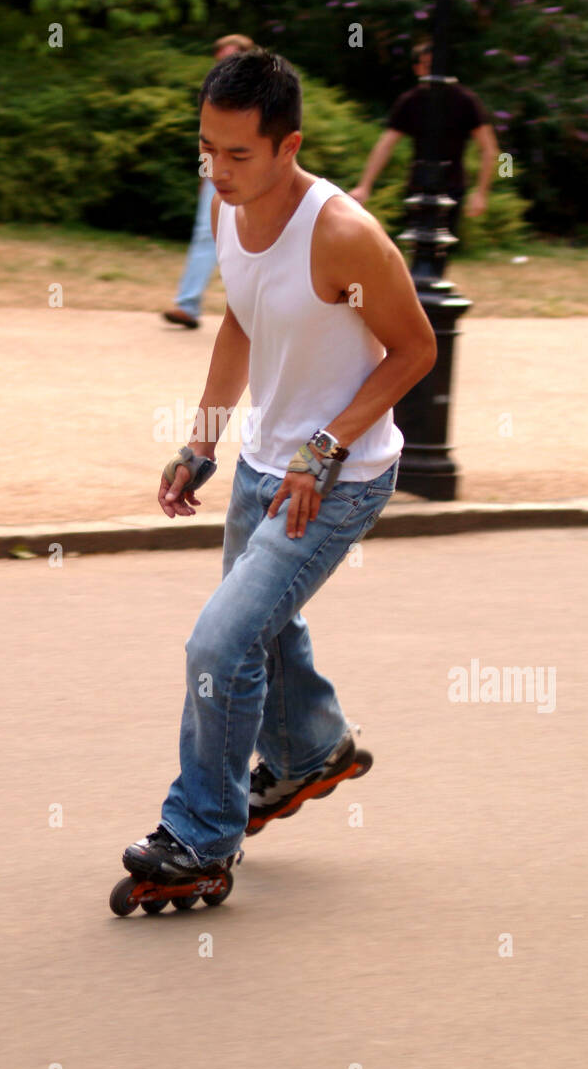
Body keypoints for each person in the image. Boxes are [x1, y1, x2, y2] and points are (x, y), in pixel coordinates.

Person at [119, 48, 437, 902]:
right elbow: (242, 323)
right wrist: (204, 442)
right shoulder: (230, 213)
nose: (216, 172)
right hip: (263, 466)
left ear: (288, 145)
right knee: (258, 627)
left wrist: (326, 447)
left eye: (237, 154)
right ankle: (311, 752)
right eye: (206, 150)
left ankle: (200, 836)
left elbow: (414, 350)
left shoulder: (342, 236)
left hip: (336, 478)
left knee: (220, 643)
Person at [349, 40, 498, 240]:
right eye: (428, 65)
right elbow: (386, 144)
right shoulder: (410, 101)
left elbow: (489, 148)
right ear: (417, 69)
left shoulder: (465, 100)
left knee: (439, 248)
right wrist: (365, 185)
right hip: (418, 184)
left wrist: (481, 192)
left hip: (453, 185)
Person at [162, 33, 256, 330]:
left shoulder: (261, 95)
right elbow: (206, 141)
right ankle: (188, 305)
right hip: (218, 173)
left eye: (229, 59)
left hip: (254, 173)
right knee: (206, 233)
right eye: (220, 61)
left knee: (258, 239)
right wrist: (206, 176)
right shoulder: (212, 97)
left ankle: (260, 313)